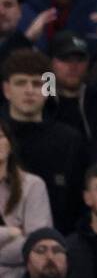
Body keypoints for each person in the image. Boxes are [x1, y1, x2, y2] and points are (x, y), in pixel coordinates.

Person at [0, 48, 88, 231]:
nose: (29, 90)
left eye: (36, 83)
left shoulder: (69, 140)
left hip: (58, 244)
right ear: (6, 89)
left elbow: (79, 201)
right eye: (21, 83)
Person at [0, 118, 53, 278]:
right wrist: (11, 232)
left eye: (0, 136)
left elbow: (37, 246)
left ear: (9, 144)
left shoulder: (33, 186)